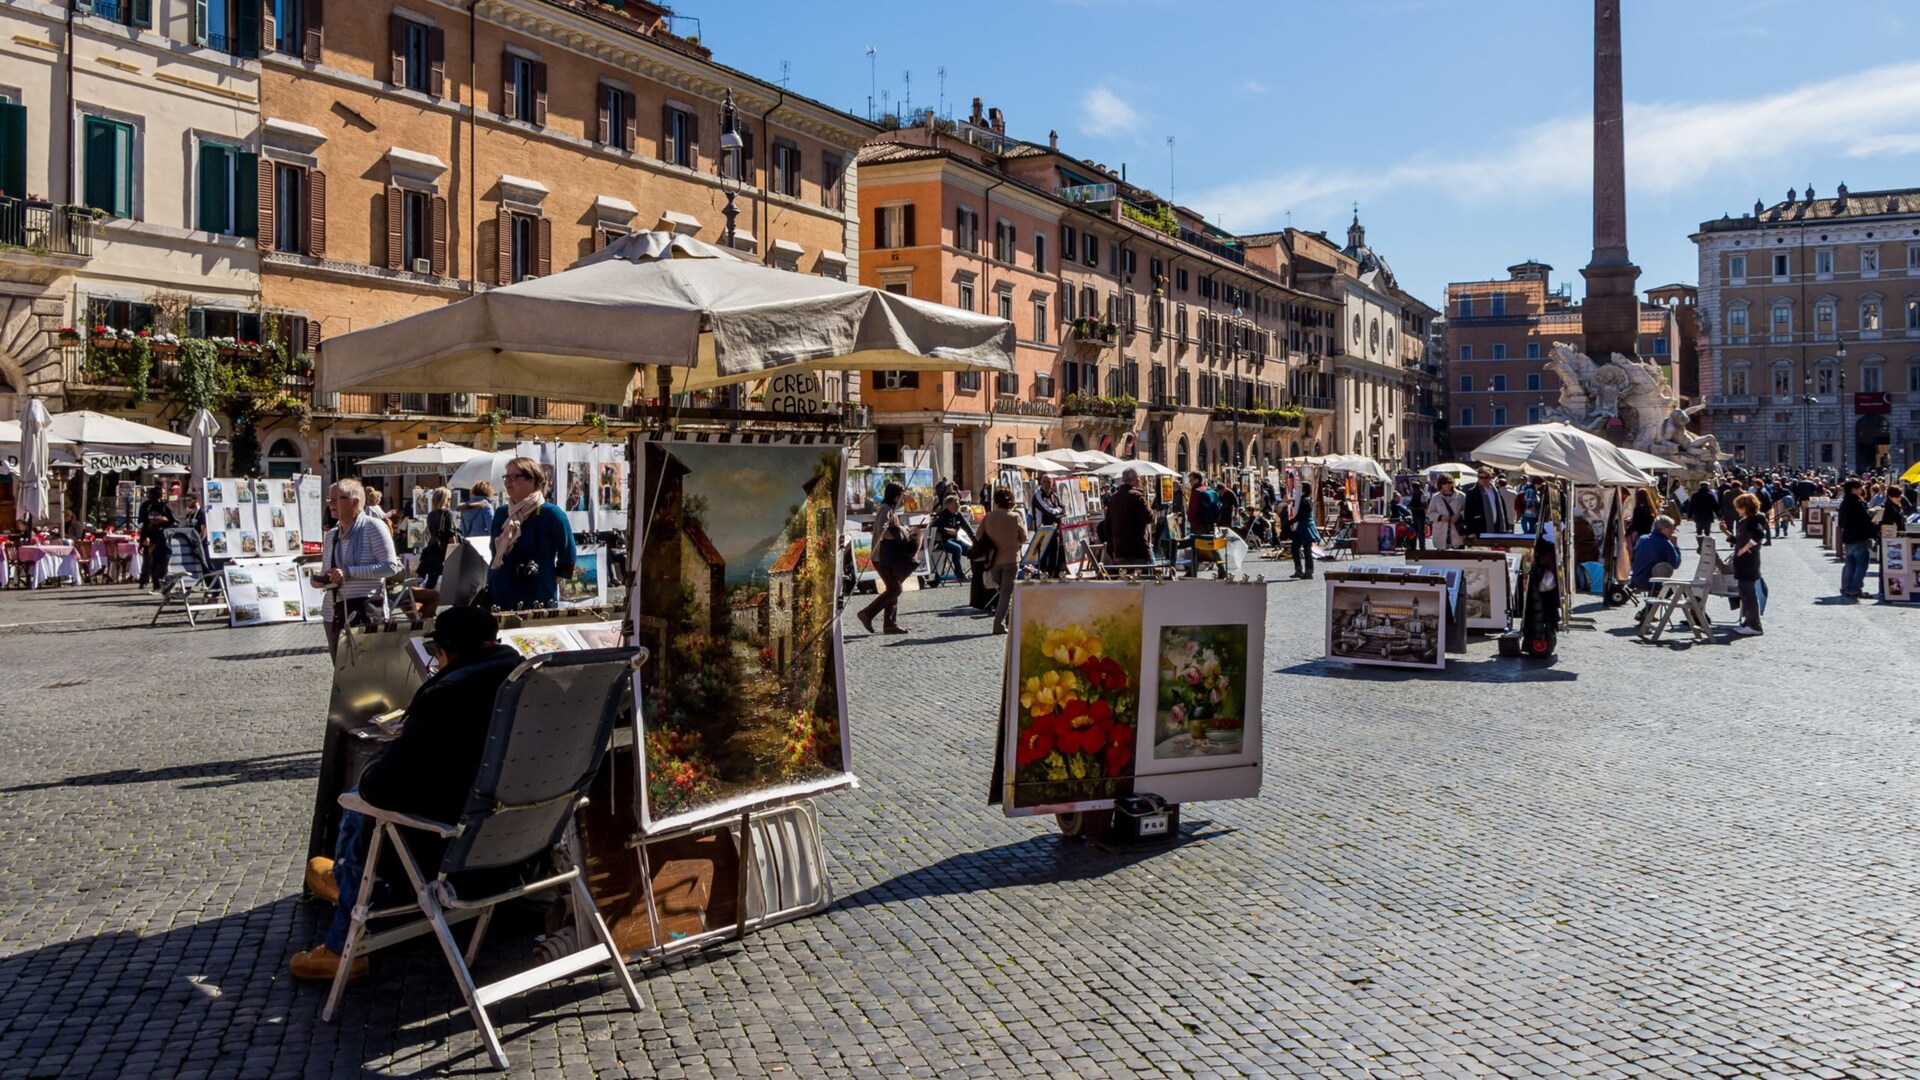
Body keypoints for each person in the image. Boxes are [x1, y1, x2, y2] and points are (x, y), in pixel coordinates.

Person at [290, 605, 525, 982]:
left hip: (444, 843)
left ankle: (342, 946)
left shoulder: (447, 693)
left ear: (445, 652)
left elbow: (384, 788)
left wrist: (371, 773)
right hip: (514, 837)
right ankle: (346, 880)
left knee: (357, 803)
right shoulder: (523, 683)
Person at [318, 479, 402, 659]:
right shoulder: (332, 534)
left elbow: (390, 567)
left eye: (336, 499)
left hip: (365, 610)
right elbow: (328, 569)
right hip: (334, 613)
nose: (330, 504)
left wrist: (350, 572)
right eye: (329, 500)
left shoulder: (373, 527)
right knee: (342, 673)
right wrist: (322, 579)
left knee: (367, 672)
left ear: (355, 502)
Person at [486, 458, 576, 610]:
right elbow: (494, 552)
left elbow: (568, 556)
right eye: (506, 477)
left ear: (532, 480)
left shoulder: (551, 514)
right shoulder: (502, 513)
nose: (508, 481)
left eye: (514, 477)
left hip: (536, 595)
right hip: (500, 593)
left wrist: (549, 580)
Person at [857, 481, 914, 635]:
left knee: (893, 588)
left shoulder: (890, 509)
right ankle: (867, 613)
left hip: (888, 556)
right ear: (895, 496)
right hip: (882, 557)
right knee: (895, 588)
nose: (903, 498)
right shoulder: (886, 509)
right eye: (901, 495)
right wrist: (900, 532)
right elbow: (883, 531)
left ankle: (890, 624)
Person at [980, 487, 1029, 635]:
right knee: (1006, 592)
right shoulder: (1015, 516)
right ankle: (998, 623)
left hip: (994, 560)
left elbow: (978, 536)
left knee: (1004, 592)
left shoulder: (988, 517)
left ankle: (1009, 621)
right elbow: (1024, 538)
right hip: (1010, 559)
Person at [1730, 492, 1765, 637]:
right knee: (1744, 592)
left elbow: (1758, 535)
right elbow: (1741, 539)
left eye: (1739, 507)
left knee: (1748, 594)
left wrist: (1745, 549)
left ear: (1746, 507)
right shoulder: (1748, 520)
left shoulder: (1753, 520)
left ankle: (1754, 625)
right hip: (1744, 561)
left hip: (1748, 562)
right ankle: (1748, 622)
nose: (1737, 510)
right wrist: (1727, 533)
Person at [1103, 468, 1155, 565]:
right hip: (1138, 549)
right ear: (1134, 479)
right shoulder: (1137, 496)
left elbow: (1107, 526)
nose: (1139, 481)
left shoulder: (1114, 498)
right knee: (1141, 578)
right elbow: (1149, 518)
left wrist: (1113, 549)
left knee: (1125, 578)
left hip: (1120, 549)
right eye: (1138, 478)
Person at [1837, 478, 1874, 599]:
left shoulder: (1844, 502)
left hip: (1848, 536)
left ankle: (1846, 587)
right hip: (1858, 536)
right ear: (1854, 489)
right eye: (1859, 488)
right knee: (1861, 564)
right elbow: (1864, 520)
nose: (1860, 490)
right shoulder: (1856, 502)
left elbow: (1841, 521)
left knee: (1850, 563)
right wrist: (1874, 533)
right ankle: (1855, 588)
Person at [135, 485, 177, 590]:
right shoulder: (146, 506)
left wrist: (164, 520)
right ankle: (144, 581)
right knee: (148, 560)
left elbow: (175, 522)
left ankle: (159, 583)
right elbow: (142, 523)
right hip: (149, 537)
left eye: (162, 495)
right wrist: (143, 538)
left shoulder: (165, 507)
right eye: (160, 494)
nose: (161, 497)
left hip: (162, 538)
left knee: (160, 562)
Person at [928, 494, 975, 586]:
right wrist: (945, 529)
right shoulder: (941, 515)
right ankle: (958, 573)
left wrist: (975, 541)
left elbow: (967, 528)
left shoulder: (958, 515)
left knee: (972, 550)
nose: (958, 506)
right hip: (941, 541)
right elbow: (932, 527)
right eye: (956, 504)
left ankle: (976, 573)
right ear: (948, 505)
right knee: (957, 548)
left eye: (958, 504)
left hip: (953, 540)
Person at [1184, 472, 1223, 578]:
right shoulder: (1207, 489)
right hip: (1209, 523)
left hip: (1199, 523)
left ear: (1197, 480)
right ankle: (1193, 570)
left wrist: (1191, 520)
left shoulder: (1196, 491)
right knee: (1211, 545)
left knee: (1196, 546)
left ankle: (1220, 569)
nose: (1190, 482)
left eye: (1191, 479)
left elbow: (1192, 509)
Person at [1628, 515, 1683, 591]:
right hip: (1652, 582)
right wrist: (1675, 545)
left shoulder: (1642, 538)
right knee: (1674, 590)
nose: (1673, 531)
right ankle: (1653, 602)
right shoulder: (1665, 543)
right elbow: (1676, 564)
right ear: (1663, 528)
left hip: (1636, 578)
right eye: (1672, 528)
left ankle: (1653, 602)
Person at [416, 487, 457, 590]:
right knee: (449, 579)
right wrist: (456, 550)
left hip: (431, 548)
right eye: (449, 498)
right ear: (445, 499)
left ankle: (422, 599)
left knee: (430, 579)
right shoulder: (448, 514)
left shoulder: (430, 515)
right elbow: (450, 535)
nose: (450, 501)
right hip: (444, 550)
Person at [1461, 468, 1511, 538]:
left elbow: (1502, 510)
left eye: (1486, 477)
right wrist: (1470, 531)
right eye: (1481, 477)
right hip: (1479, 529)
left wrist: (1507, 527)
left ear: (1490, 477)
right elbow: (1468, 513)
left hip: (1497, 527)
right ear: (1478, 478)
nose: (1483, 480)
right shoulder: (1472, 493)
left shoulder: (1495, 491)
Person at [1286, 484, 1318, 579]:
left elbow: (1300, 515)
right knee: (1297, 548)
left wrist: (1290, 522)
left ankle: (1307, 572)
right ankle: (1301, 570)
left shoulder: (1304, 500)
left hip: (1304, 527)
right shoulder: (1308, 499)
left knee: (1304, 549)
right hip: (1306, 526)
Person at [1428, 475, 1465, 550]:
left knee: (1458, 558)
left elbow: (1468, 510)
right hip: (1441, 530)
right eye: (1444, 483)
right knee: (1443, 558)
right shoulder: (1435, 497)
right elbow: (1430, 512)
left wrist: (1459, 516)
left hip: (1457, 531)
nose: (1447, 484)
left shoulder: (1461, 496)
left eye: (1449, 482)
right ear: (1440, 484)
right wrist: (1440, 517)